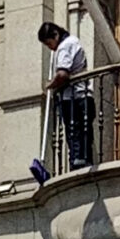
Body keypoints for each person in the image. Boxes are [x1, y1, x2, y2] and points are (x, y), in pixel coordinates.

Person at [37, 18, 94, 170]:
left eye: (49, 44)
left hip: (74, 98)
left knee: (74, 131)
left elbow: (62, 74)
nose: (51, 48)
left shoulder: (64, 46)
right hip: (84, 95)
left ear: (55, 35)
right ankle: (84, 159)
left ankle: (77, 162)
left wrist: (50, 85)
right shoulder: (74, 42)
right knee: (84, 132)